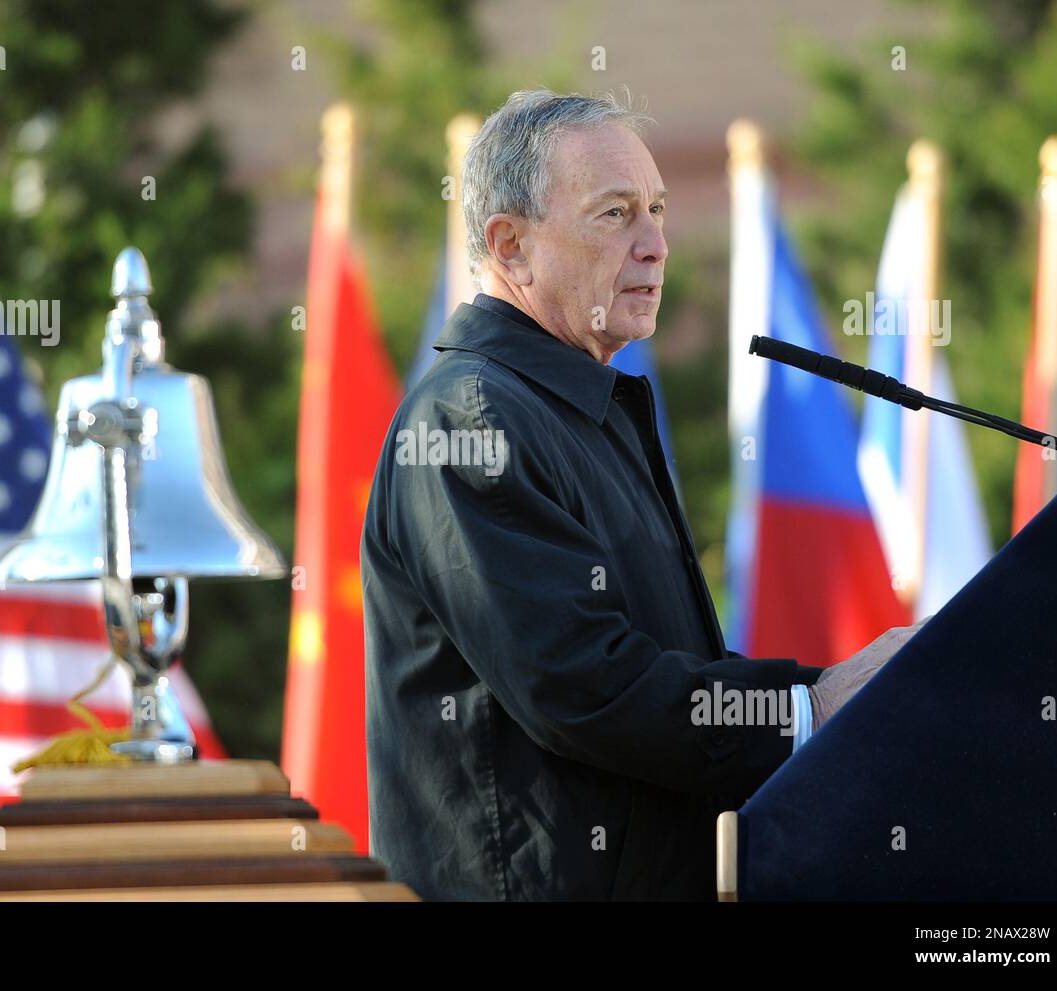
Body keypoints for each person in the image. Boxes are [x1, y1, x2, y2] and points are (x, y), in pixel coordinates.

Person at [360, 88, 923, 901]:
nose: (657, 245)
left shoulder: (580, 406)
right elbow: (586, 685)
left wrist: (836, 693)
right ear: (510, 245)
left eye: (657, 210)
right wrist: (806, 709)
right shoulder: (469, 419)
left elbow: (668, 669)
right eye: (615, 214)